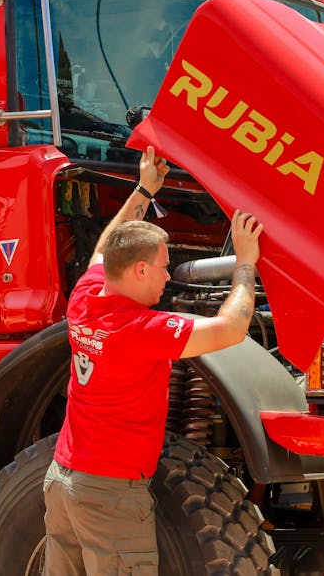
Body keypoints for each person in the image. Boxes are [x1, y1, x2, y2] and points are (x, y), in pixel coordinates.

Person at [43, 145, 264, 575]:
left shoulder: (85, 299)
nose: (169, 275)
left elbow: (109, 245)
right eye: (164, 267)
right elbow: (231, 328)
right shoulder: (140, 331)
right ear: (140, 271)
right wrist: (245, 265)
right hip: (110, 494)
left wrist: (145, 189)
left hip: (64, 480)